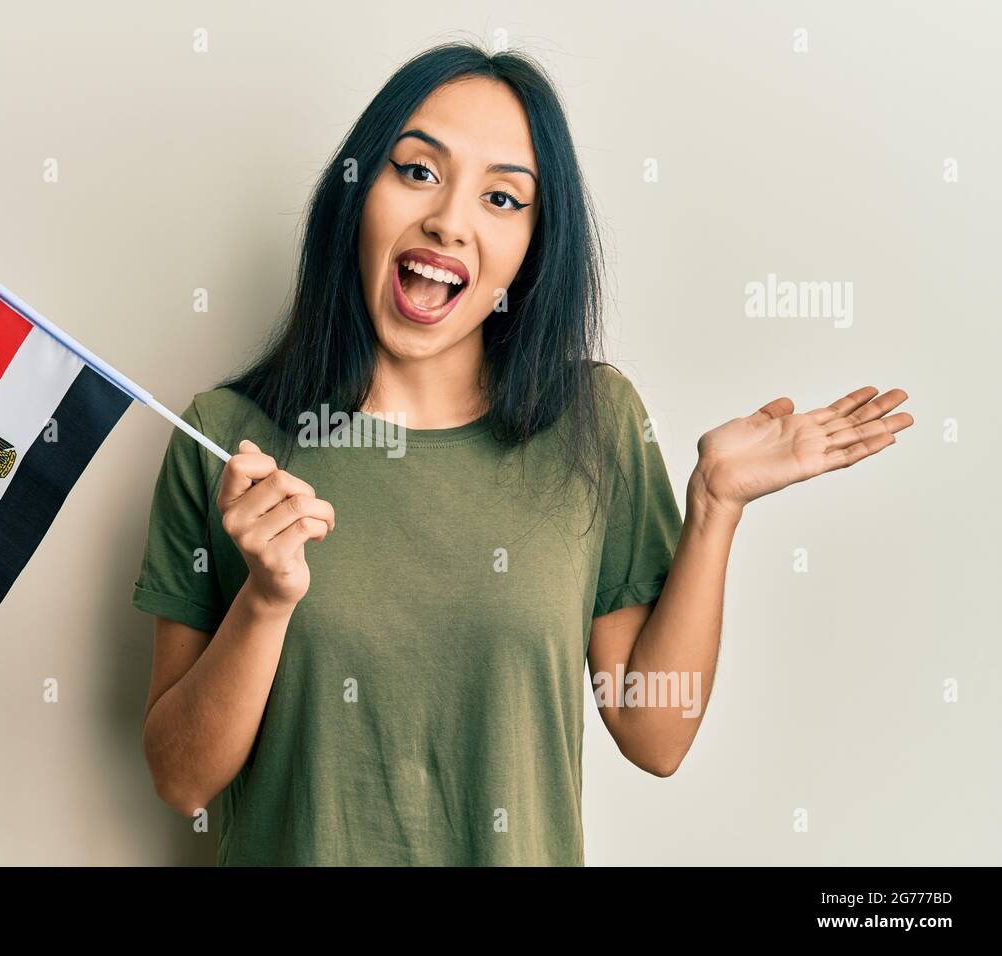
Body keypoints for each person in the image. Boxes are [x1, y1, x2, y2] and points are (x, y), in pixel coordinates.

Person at [133, 41, 913, 866]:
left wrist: (715, 505)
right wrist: (265, 600)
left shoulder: (595, 424)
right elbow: (181, 782)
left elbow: (654, 736)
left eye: (503, 197)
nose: (449, 219)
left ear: (534, 249)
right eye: (419, 171)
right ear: (357, 197)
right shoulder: (225, 439)